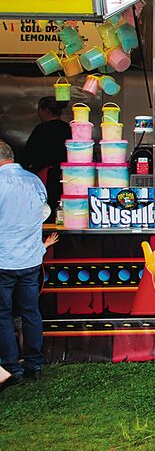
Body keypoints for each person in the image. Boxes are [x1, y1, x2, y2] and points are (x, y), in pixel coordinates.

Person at [0, 138, 56, 389]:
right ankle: (34, 365)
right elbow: (44, 212)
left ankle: (11, 368)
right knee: (31, 313)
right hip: (31, 259)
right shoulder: (34, 180)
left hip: (4, 259)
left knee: (3, 315)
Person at [21, 96, 72, 223]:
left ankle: (49, 235)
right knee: (64, 207)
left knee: (47, 208)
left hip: (46, 177)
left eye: (39, 109)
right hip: (68, 177)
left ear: (46, 111)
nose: (38, 113)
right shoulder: (69, 129)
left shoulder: (41, 130)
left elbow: (28, 155)